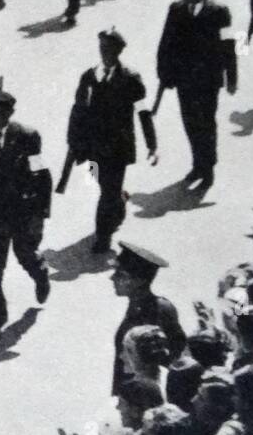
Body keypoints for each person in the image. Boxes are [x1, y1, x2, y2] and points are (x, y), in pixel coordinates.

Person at [0, 87, 52, 331]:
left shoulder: (27, 136)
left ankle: (40, 274)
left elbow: (42, 175)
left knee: (24, 254)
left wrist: (40, 214)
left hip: (21, 212)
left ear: (10, 113)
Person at [65, 29, 147, 253]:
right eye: (102, 49)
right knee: (101, 183)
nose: (105, 54)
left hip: (117, 147)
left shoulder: (131, 78)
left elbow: (142, 110)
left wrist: (152, 144)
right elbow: (78, 110)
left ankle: (103, 236)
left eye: (110, 50)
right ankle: (119, 201)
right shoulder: (89, 76)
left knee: (106, 193)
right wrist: (73, 139)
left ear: (119, 52)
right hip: (92, 146)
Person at [155, 0, 237, 192]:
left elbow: (229, 45)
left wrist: (231, 76)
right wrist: (164, 72)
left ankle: (208, 166)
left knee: (207, 124)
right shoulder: (176, 9)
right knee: (190, 123)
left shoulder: (220, 11)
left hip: (209, 80)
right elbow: (166, 43)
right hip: (184, 80)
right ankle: (197, 164)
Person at [110, 242, 184, 399]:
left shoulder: (160, 310)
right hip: (130, 392)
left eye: (120, 275)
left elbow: (177, 357)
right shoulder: (136, 304)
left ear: (139, 281)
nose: (112, 278)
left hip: (144, 396)